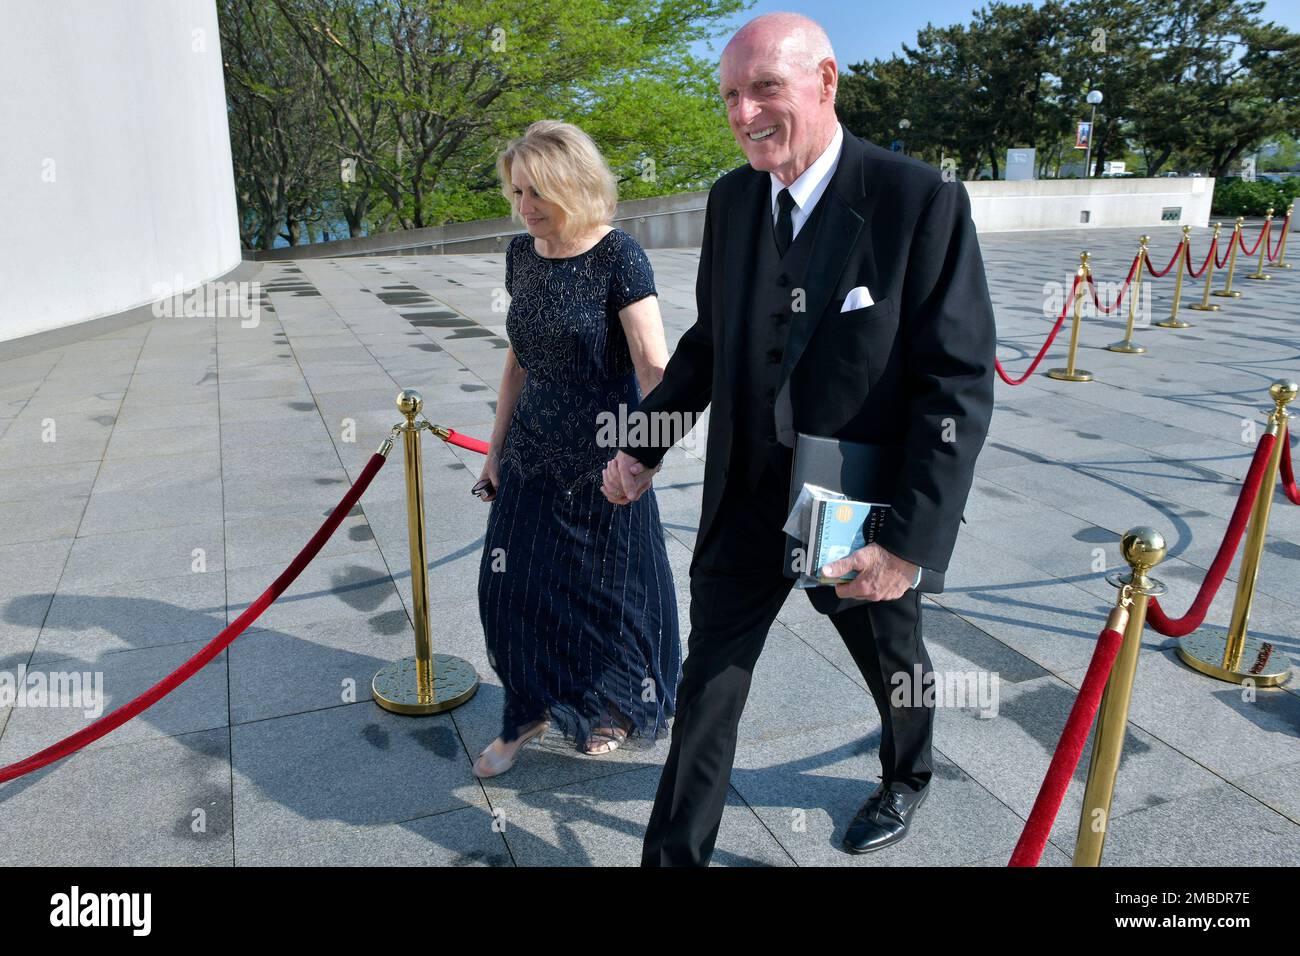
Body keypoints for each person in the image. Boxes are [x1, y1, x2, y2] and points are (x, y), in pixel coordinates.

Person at [602, 13, 996, 864]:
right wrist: (646, 443)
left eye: (765, 89)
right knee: (708, 683)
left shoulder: (918, 200)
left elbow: (954, 385)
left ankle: (910, 772)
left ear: (825, 83)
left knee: (895, 659)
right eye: (732, 96)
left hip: (858, 513)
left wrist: (908, 542)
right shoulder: (732, 198)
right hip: (746, 495)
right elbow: (710, 344)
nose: (745, 114)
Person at [473, 120, 682, 778]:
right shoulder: (520, 254)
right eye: (516, 191)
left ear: (575, 184)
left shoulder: (618, 257)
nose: (524, 205)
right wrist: (494, 451)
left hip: (605, 459)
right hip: (532, 452)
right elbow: (518, 362)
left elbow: (654, 369)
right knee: (508, 592)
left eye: (537, 191)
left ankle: (612, 705)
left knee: (608, 597)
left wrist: (644, 457)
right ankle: (529, 709)